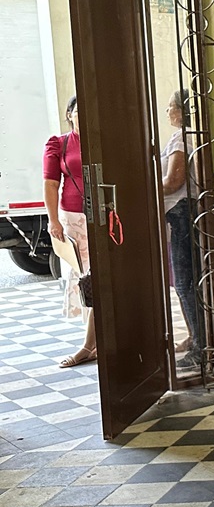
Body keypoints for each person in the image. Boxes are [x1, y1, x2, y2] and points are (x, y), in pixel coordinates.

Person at [43, 95, 97, 368]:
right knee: (85, 280)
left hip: (103, 217)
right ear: (69, 115)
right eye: (77, 111)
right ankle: (92, 344)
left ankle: (90, 345)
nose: (83, 115)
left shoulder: (102, 140)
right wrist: (53, 221)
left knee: (97, 279)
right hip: (73, 220)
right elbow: (51, 184)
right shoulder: (59, 143)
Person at [159, 89, 207, 372]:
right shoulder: (189, 136)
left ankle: (200, 346)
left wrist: (147, 184)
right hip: (185, 213)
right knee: (188, 280)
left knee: (185, 282)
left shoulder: (181, 137)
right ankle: (194, 337)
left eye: (170, 107)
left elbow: (174, 180)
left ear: (181, 111)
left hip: (182, 213)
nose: (168, 112)